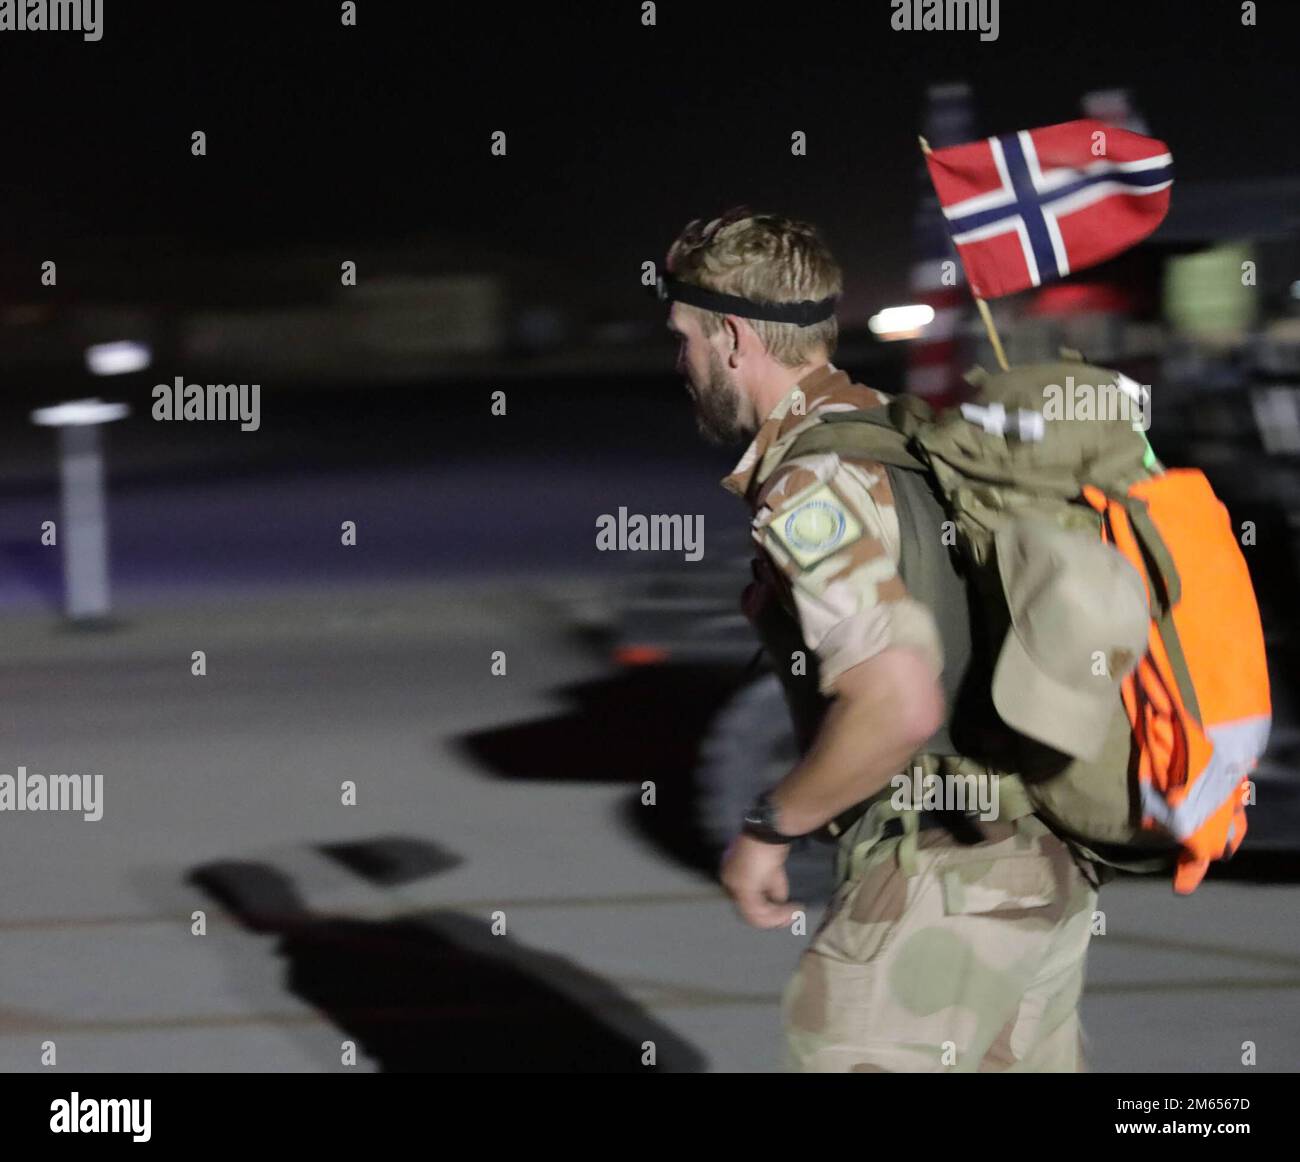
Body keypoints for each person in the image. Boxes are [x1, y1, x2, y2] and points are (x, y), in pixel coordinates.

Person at [661, 207, 1100, 1072]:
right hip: (1034, 863)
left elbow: (897, 699)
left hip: (934, 883)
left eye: (686, 337)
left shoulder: (814, 481)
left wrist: (770, 825)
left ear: (736, 338)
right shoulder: (898, 431)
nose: (682, 361)